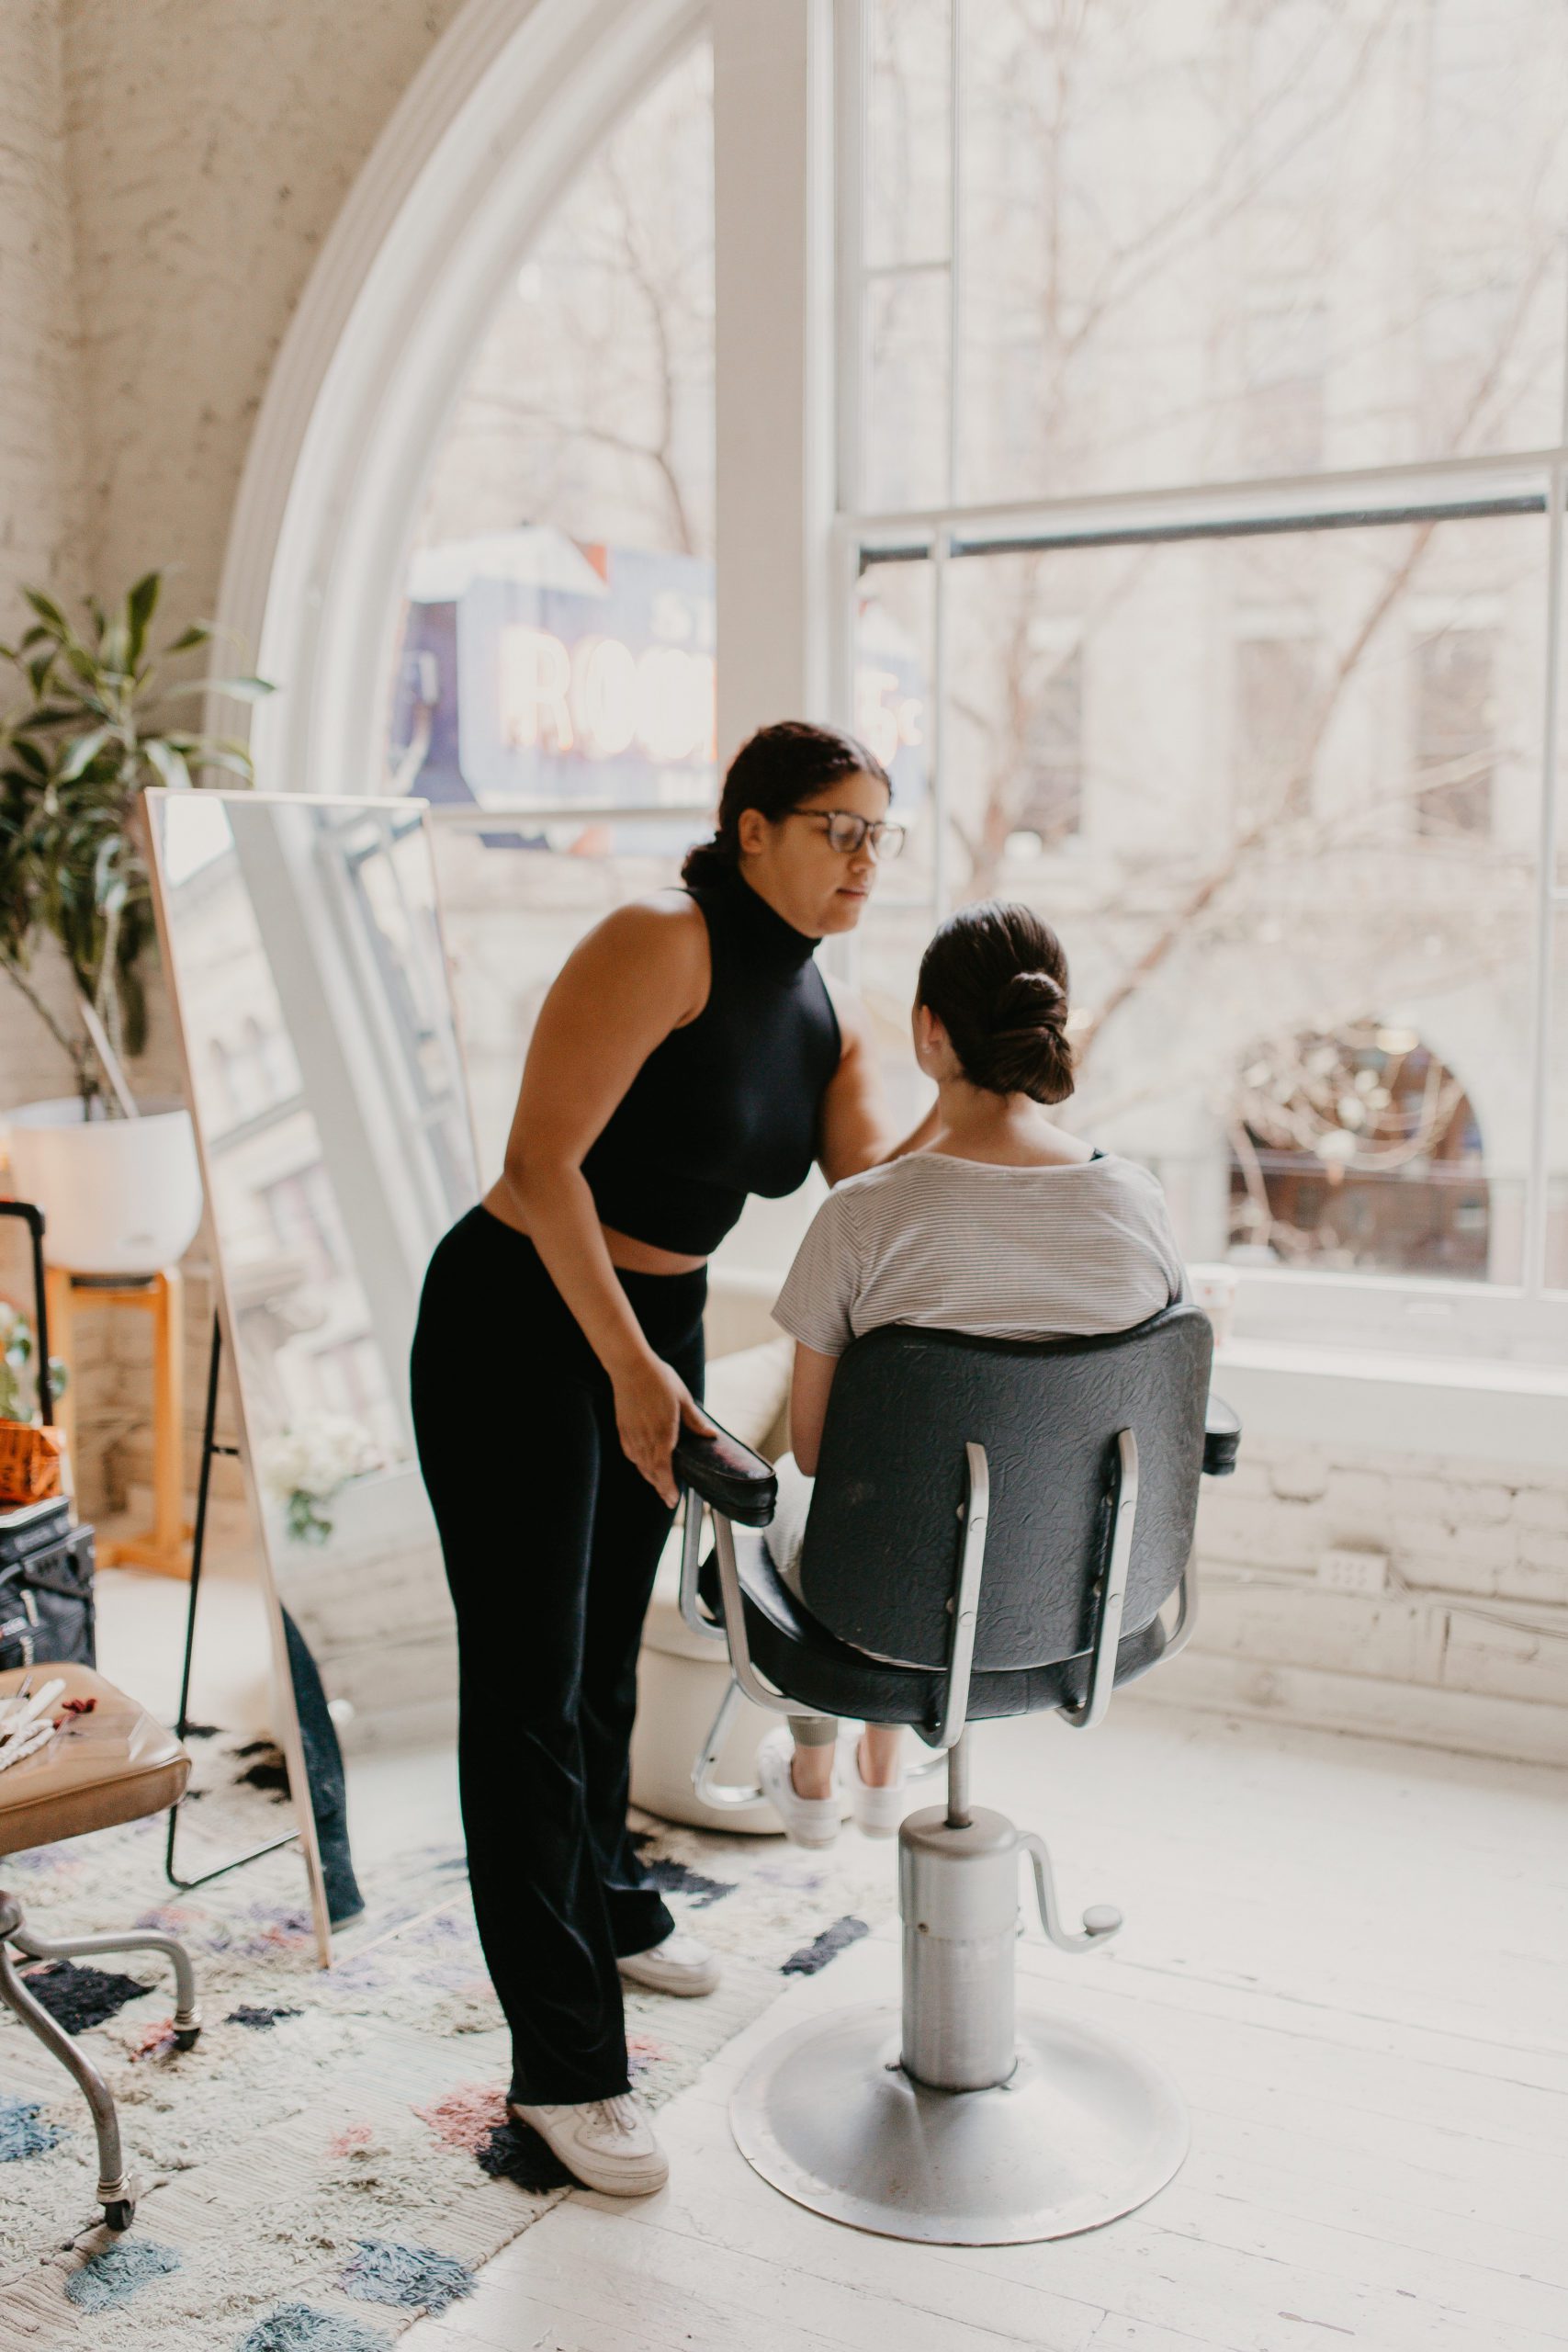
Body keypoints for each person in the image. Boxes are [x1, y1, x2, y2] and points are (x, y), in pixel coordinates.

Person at [410, 721, 931, 2199]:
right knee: (522, 1690)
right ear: (750, 828)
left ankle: (614, 1908)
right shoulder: (661, 939)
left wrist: (984, 1102)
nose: (860, 859)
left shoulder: (820, 1006)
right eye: (834, 827)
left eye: (877, 835)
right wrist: (635, 1375)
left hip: (660, 1319)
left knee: (599, 1666)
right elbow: (537, 1167)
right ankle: (564, 2072)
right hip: (521, 1314)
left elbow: (867, 1189)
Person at [755, 899, 1187, 1849]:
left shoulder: (865, 1218)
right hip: (1085, 1607)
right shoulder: (1135, 1202)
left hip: (881, 1610)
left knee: (796, 1502)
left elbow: (822, 1452)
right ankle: (871, 1767)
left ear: (927, 1033)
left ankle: (813, 1771)